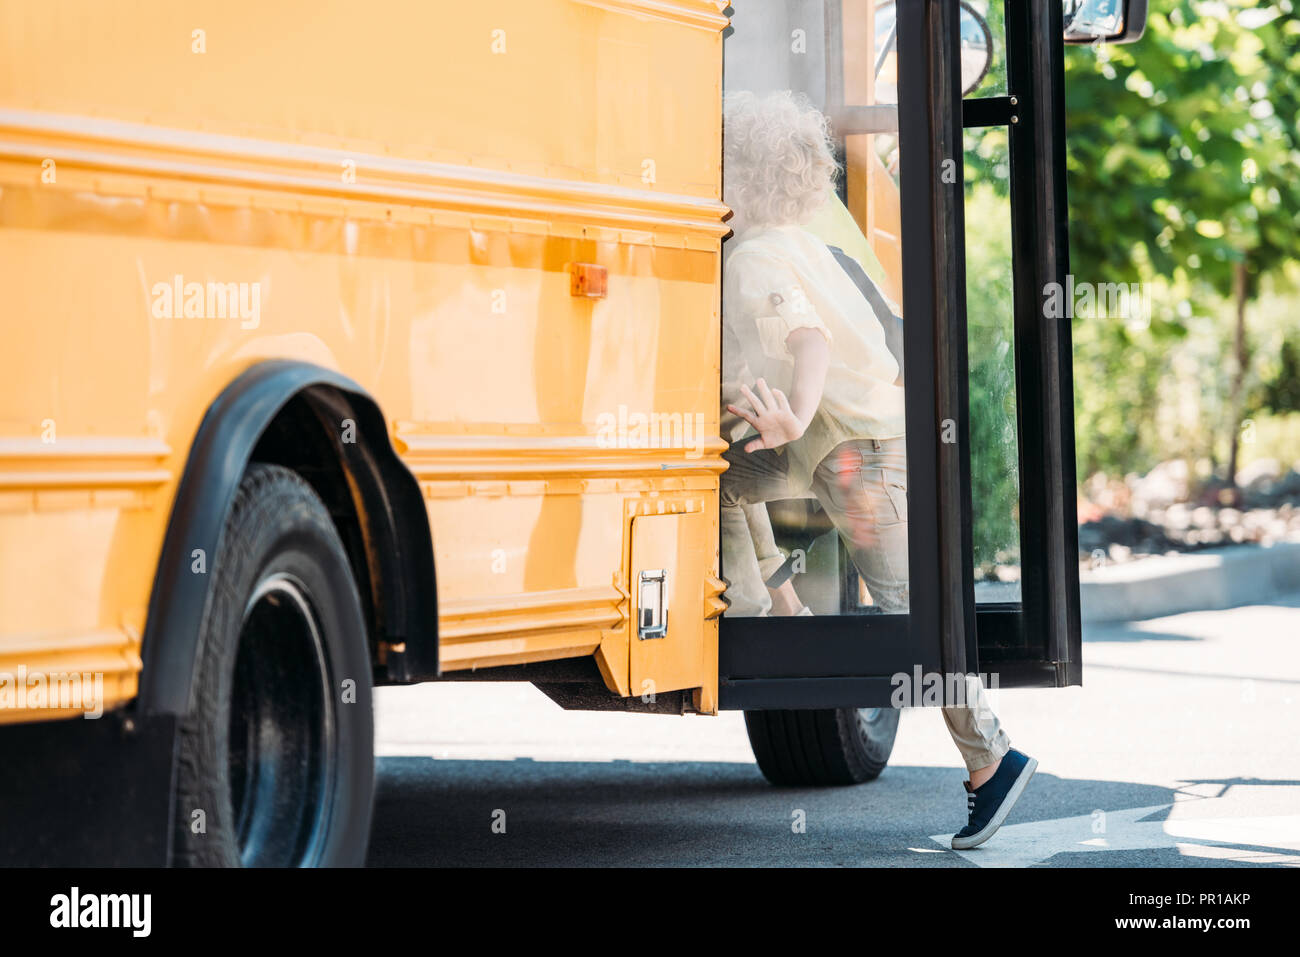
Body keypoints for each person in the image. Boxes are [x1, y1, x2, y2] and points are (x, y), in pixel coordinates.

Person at [720, 89, 1036, 849]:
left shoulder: (759, 254)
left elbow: (806, 340)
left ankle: (992, 756)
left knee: (903, 606)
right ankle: (782, 614)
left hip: (855, 450)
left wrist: (790, 412)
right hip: (838, 441)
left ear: (741, 173)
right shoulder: (799, 239)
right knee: (721, 477)